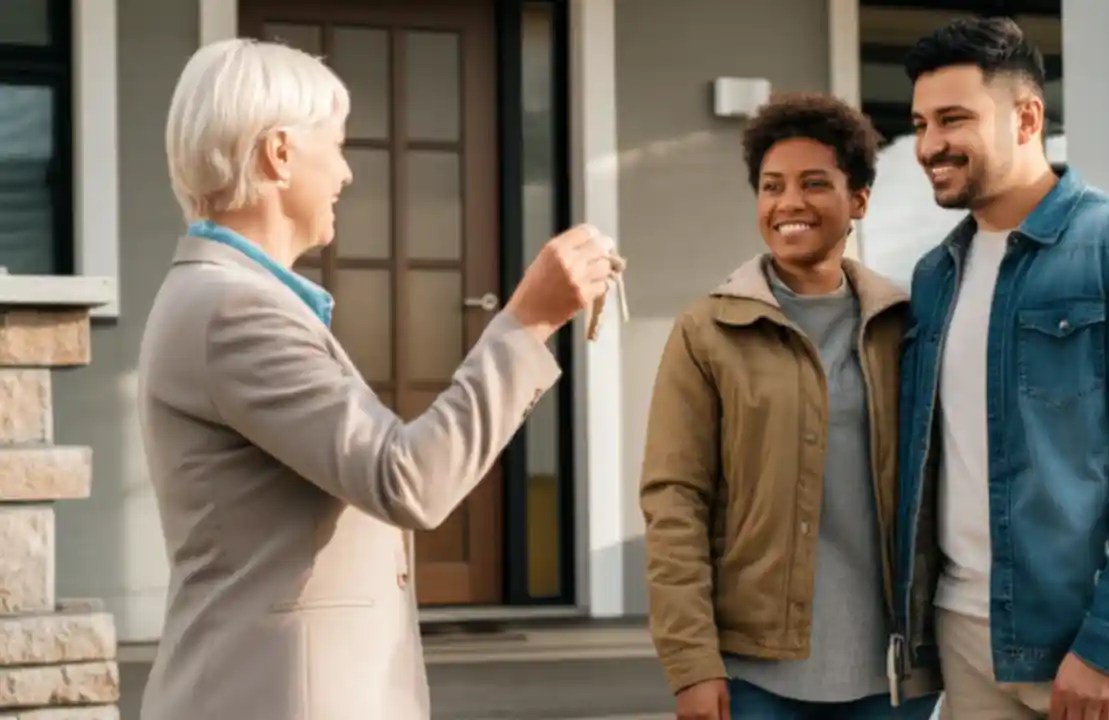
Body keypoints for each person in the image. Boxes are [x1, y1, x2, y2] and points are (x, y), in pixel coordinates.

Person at [137, 38, 615, 720]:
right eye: (334, 144)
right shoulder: (234, 310)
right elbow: (407, 480)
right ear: (279, 153)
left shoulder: (229, 299)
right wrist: (526, 323)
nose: (346, 173)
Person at [892, 17, 1109, 720]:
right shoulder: (934, 276)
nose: (929, 145)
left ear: (1027, 117)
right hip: (967, 636)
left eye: (953, 119)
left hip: (1102, 647)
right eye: (920, 123)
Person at [639, 92, 941, 720]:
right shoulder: (708, 331)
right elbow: (675, 503)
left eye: (814, 183)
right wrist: (690, 663)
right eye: (772, 186)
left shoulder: (904, 324)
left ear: (858, 199)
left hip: (891, 676)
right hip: (755, 677)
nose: (789, 203)